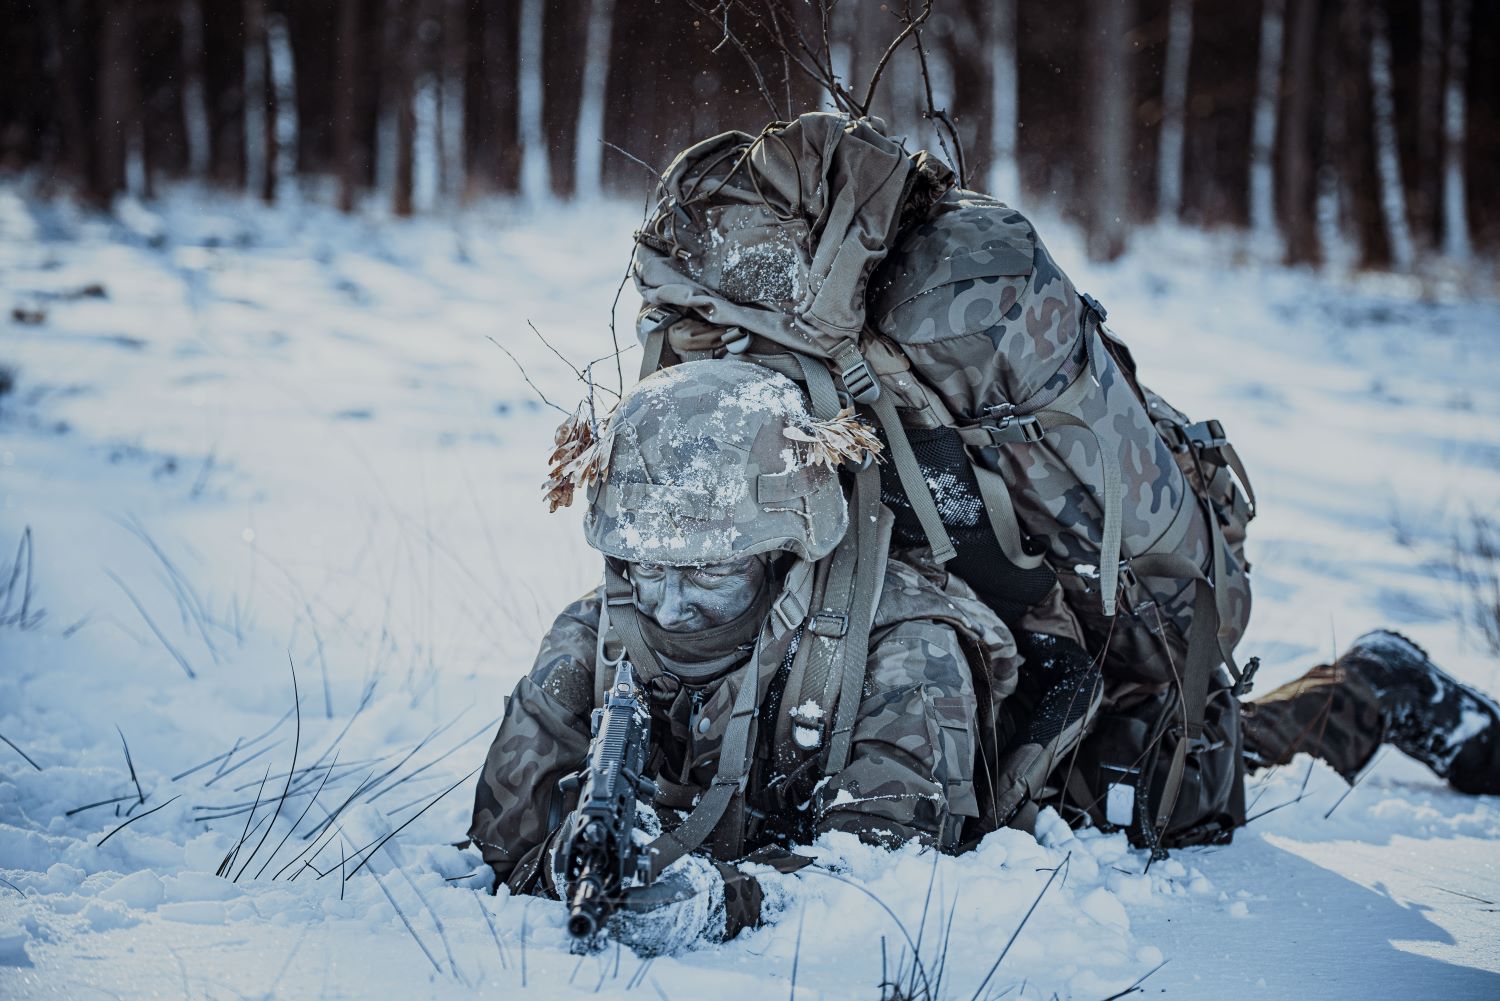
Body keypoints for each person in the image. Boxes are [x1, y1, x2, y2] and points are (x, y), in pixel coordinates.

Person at [469, 359, 1500, 955]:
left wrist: (715, 898)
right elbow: (506, 822)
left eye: (711, 576)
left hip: (1052, 777)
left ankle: (1373, 681)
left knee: (1208, 772)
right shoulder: (608, 622)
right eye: (647, 570)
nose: (674, 602)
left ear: (786, 553)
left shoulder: (907, 647)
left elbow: (885, 872)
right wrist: (569, 849)